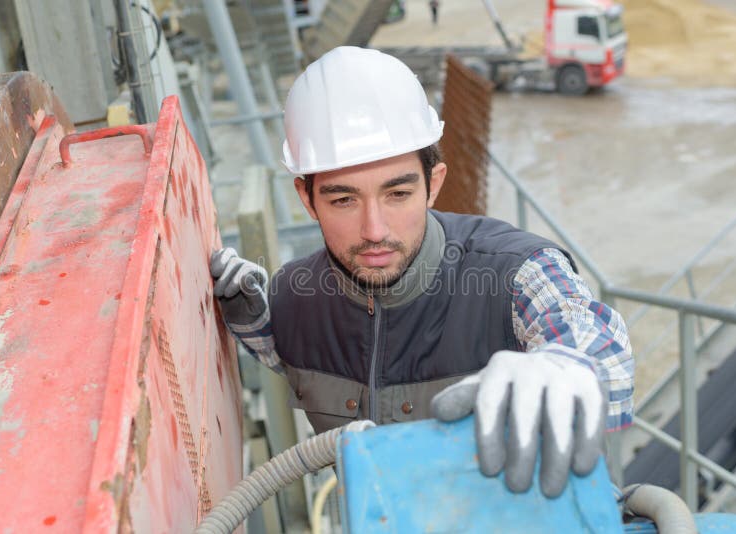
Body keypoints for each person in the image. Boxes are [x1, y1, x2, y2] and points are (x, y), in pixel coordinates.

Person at [210, 46, 633, 498]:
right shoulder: (295, 301)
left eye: (397, 195)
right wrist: (247, 316)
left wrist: (565, 365)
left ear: (433, 184)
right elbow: (289, 355)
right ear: (306, 199)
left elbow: (594, 340)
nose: (374, 231)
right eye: (343, 200)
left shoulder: (510, 274)